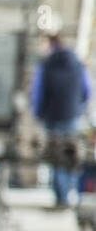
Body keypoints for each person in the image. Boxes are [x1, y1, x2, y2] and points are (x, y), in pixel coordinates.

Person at [30, 34, 92, 207]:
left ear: (51, 45)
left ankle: (61, 197)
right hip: (73, 116)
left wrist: (37, 113)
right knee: (71, 155)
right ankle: (69, 191)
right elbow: (88, 91)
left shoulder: (46, 65)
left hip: (51, 117)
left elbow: (38, 92)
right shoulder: (78, 65)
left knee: (55, 156)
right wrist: (80, 109)